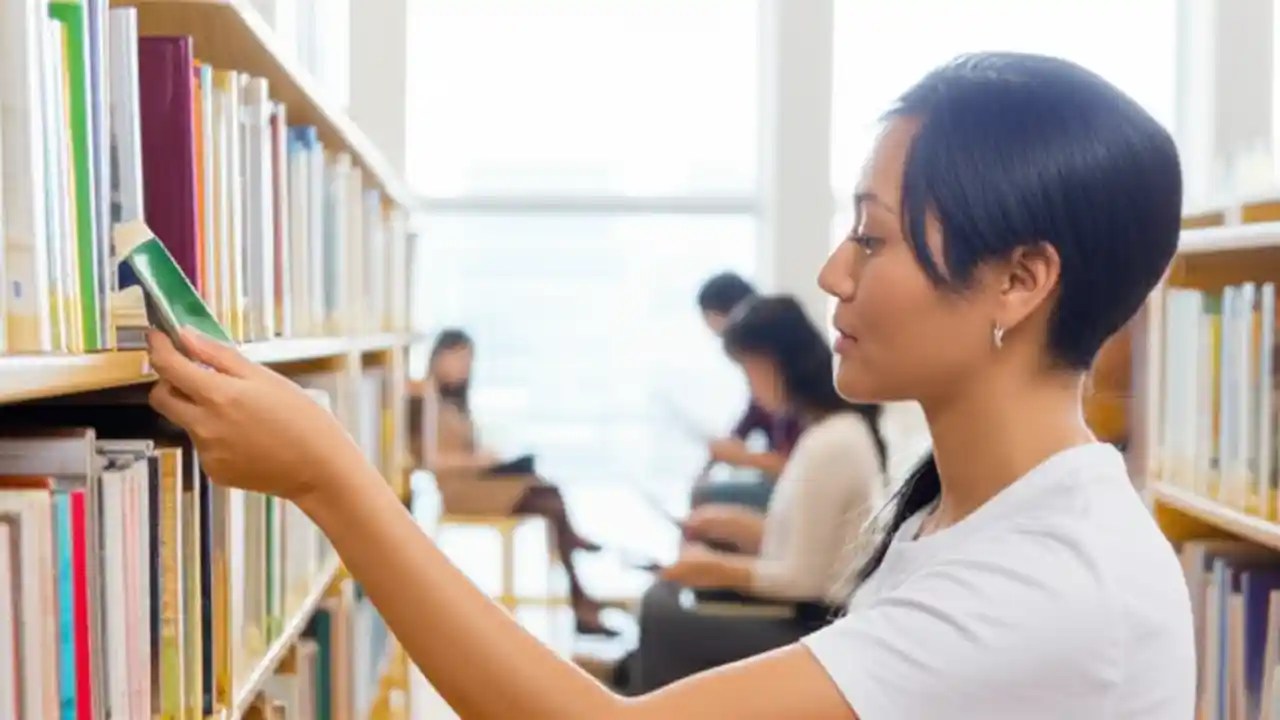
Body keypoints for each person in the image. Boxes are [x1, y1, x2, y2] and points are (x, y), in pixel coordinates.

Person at [145, 52, 1194, 718]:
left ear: (1020, 279)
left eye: (870, 238)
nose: (832, 272)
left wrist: (331, 478)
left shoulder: (1049, 584)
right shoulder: (966, 520)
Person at [628, 295, 886, 692]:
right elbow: (806, 542)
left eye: (749, 371)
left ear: (775, 362)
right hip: (807, 610)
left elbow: (802, 579)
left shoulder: (831, 443)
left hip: (812, 624)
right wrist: (734, 527)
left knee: (661, 609)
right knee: (666, 599)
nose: (750, 386)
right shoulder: (828, 433)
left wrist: (714, 567)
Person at [410, 328, 616, 637]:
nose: (463, 366)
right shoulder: (422, 399)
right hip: (458, 491)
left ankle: (580, 596)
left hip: (477, 482)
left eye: (468, 360)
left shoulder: (455, 402)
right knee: (547, 499)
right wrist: (478, 462)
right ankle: (579, 585)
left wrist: (490, 460)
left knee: (546, 490)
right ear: (438, 357)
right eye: (457, 358)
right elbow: (427, 461)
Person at [693, 273, 798, 509]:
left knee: (705, 500)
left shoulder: (790, 385)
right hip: (781, 484)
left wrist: (744, 458)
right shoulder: (765, 385)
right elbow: (743, 429)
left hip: (793, 489)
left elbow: (798, 468)